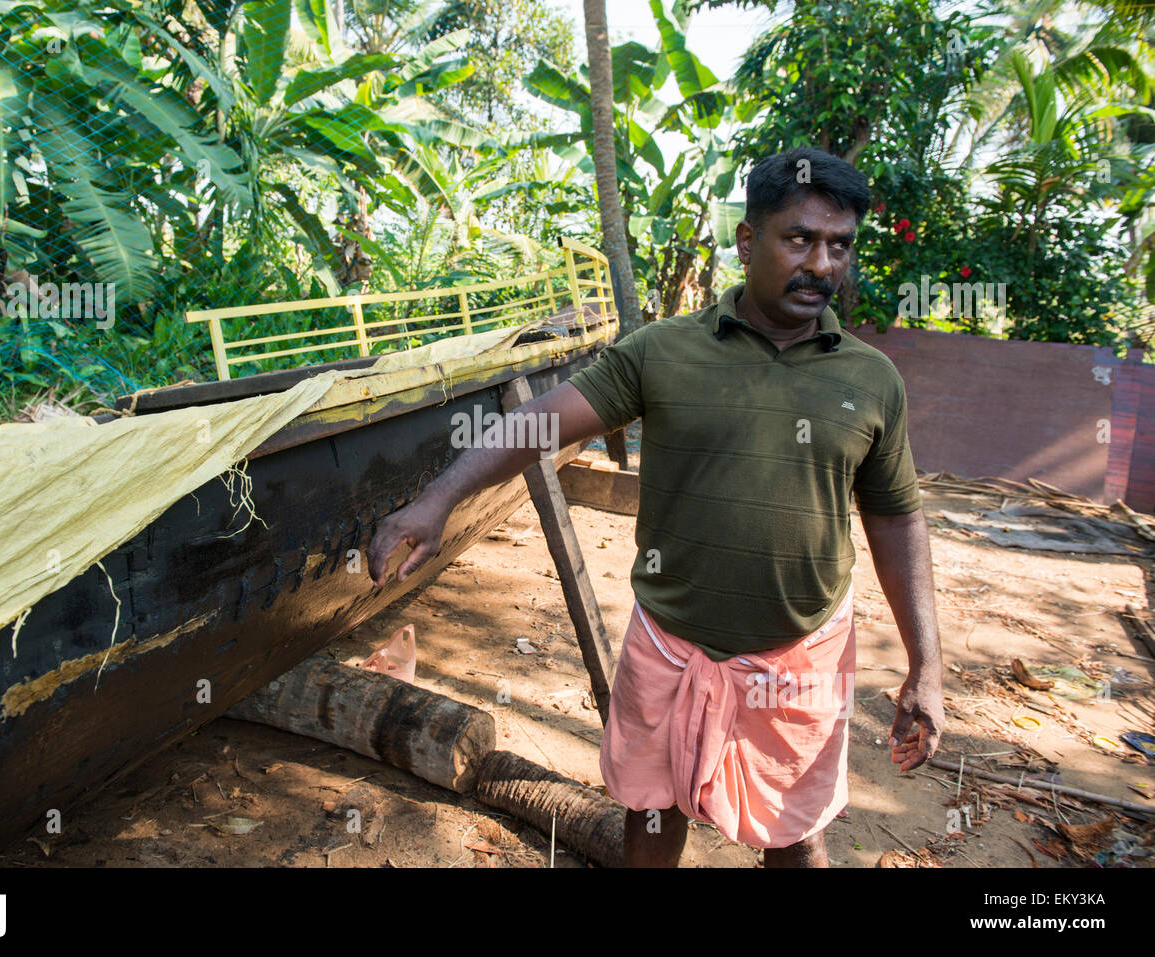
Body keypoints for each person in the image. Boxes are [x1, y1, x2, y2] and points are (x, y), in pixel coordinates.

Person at [366, 146, 944, 868]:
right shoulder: (664, 352)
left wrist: (926, 664)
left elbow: (896, 518)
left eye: (839, 246)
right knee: (649, 811)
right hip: (670, 644)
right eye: (799, 239)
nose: (822, 265)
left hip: (800, 660)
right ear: (747, 239)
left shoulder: (872, 379)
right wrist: (438, 499)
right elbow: (541, 420)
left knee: (794, 835)